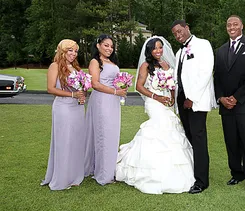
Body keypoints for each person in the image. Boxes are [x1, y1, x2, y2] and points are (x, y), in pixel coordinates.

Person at [116, 36, 195, 194]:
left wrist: (171, 98)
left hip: (167, 102)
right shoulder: (146, 65)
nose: (158, 51)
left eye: (160, 48)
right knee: (160, 128)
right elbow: (139, 86)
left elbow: (173, 84)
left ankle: (176, 172)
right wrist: (156, 97)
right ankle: (151, 172)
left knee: (171, 129)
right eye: (155, 48)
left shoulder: (166, 64)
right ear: (149, 51)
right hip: (153, 102)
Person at [214, 15, 245, 196]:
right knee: (231, 142)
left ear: (242, 25)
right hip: (225, 106)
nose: (232, 27)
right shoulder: (220, 50)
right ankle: (237, 173)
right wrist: (221, 98)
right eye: (229, 25)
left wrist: (236, 97)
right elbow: (217, 77)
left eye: (235, 24)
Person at [171, 20, 217, 194]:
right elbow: (178, 76)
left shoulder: (203, 44)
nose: (178, 35)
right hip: (182, 100)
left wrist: (191, 98)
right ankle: (193, 172)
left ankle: (201, 181)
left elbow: (206, 72)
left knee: (198, 139)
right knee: (189, 136)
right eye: (174, 33)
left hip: (196, 101)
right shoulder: (178, 52)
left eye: (179, 31)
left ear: (187, 27)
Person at [41, 39, 86, 190]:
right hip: (63, 108)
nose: (73, 54)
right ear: (62, 51)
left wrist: (82, 94)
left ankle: (73, 175)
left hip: (78, 108)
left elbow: (81, 88)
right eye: (70, 51)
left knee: (75, 141)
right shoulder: (55, 66)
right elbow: (50, 89)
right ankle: (61, 178)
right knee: (64, 141)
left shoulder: (76, 68)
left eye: (76, 51)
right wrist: (73, 95)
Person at [84, 34, 127, 185]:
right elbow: (95, 84)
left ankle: (109, 168)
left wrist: (122, 85)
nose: (109, 48)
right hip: (102, 100)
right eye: (106, 45)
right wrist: (116, 91)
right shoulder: (95, 62)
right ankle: (103, 174)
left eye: (111, 46)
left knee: (112, 134)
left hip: (113, 101)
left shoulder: (112, 62)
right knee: (104, 134)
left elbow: (114, 81)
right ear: (98, 46)